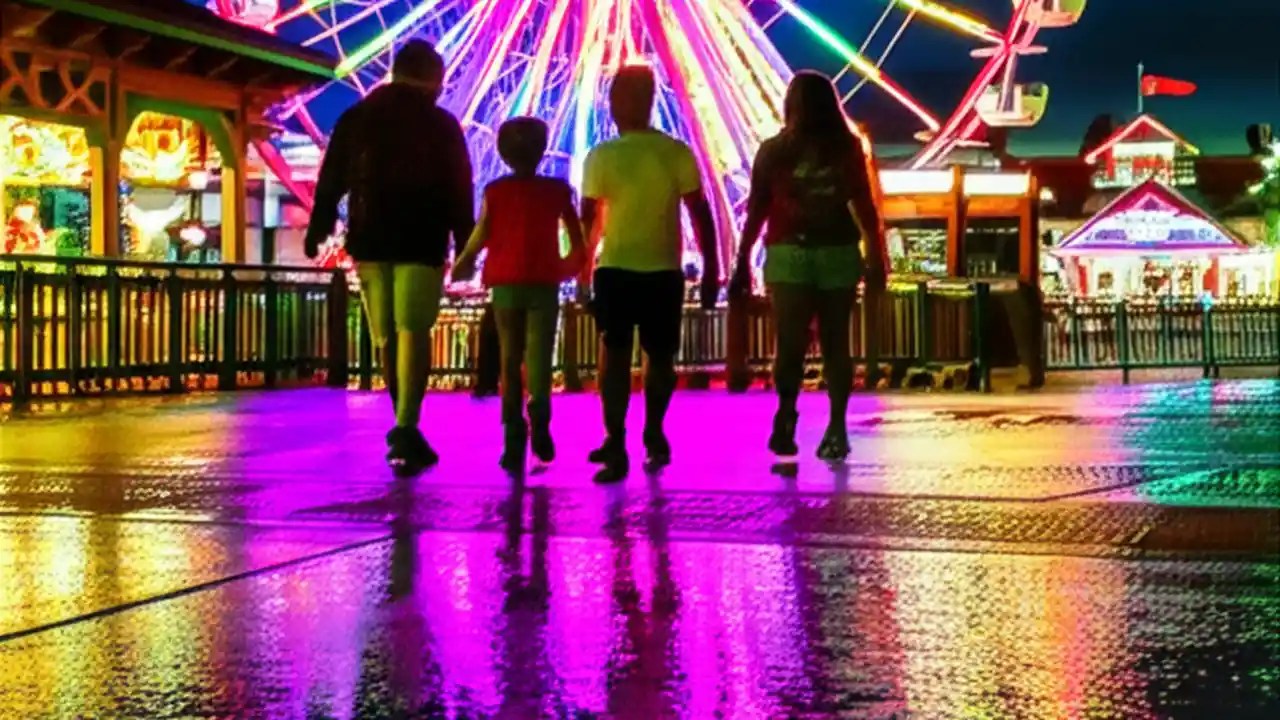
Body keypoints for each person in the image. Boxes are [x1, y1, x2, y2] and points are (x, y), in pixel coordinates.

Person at [304, 40, 474, 473]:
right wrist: (467, 243)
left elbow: (332, 178)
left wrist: (319, 226)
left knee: (386, 335)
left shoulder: (357, 117)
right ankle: (406, 424)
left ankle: (403, 422)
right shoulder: (441, 125)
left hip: (369, 238)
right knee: (413, 330)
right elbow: (458, 191)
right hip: (421, 239)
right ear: (434, 78)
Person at [729, 70, 887, 461]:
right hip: (837, 251)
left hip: (788, 254)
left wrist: (742, 261)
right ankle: (835, 426)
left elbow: (757, 211)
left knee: (790, 342)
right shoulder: (847, 148)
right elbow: (864, 206)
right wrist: (876, 255)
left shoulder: (772, 151)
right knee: (837, 344)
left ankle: (786, 412)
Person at [580, 65, 720, 483]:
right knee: (659, 358)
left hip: (617, 269)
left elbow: (590, 222)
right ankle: (652, 432)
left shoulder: (601, 156)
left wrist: (581, 272)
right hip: (662, 270)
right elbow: (700, 213)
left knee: (615, 355)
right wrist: (713, 266)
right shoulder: (675, 152)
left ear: (616, 104)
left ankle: (616, 438)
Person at [452, 117, 586, 475]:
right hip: (544, 280)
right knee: (540, 355)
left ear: (502, 151)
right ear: (542, 149)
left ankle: (513, 434)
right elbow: (577, 239)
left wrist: (463, 261)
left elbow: (481, 234)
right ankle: (540, 417)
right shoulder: (557, 191)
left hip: (506, 282)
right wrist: (571, 266)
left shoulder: (495, 192)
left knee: (509, 359)